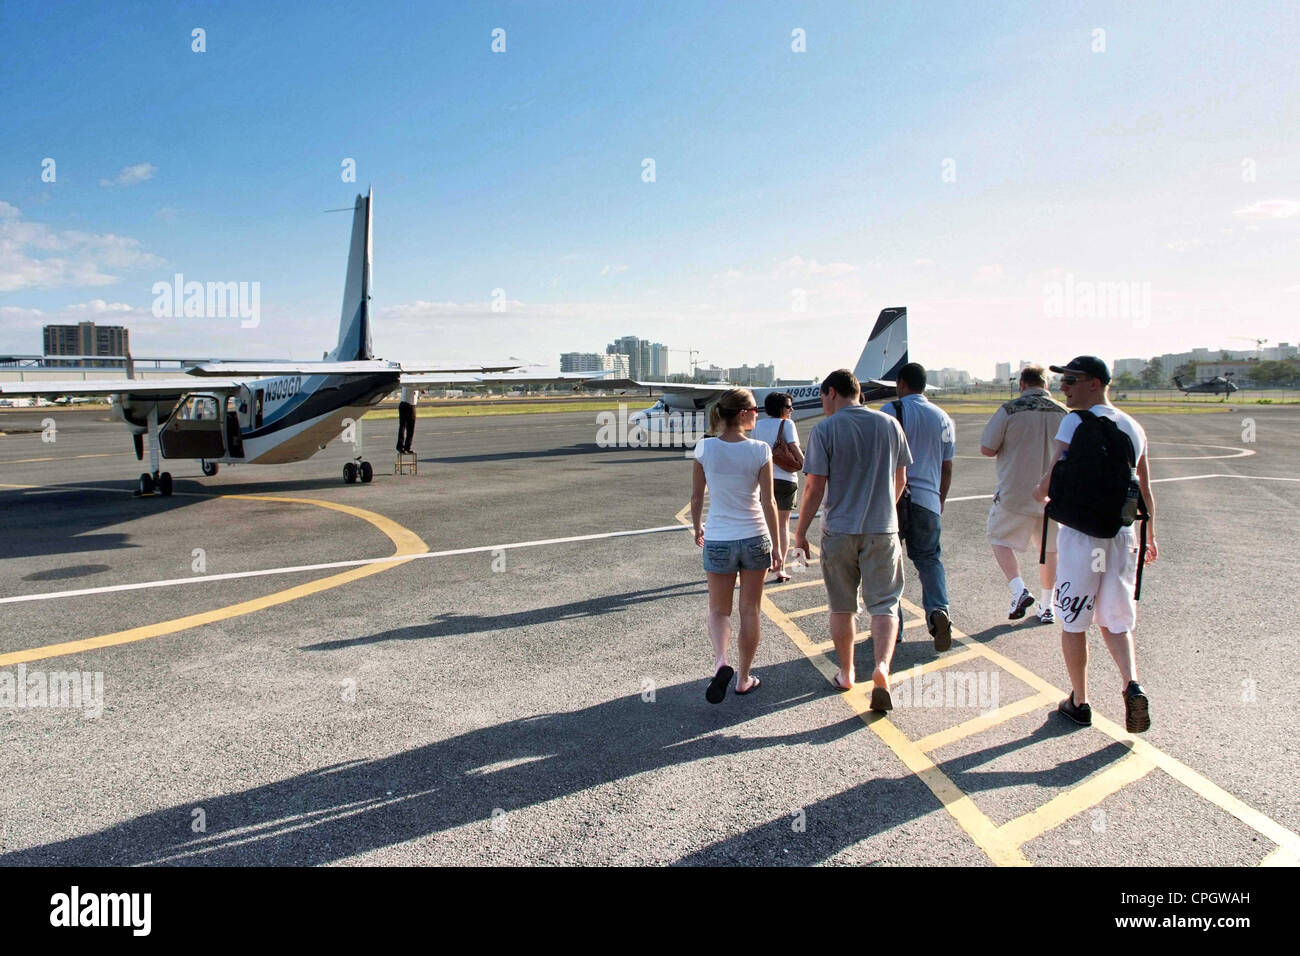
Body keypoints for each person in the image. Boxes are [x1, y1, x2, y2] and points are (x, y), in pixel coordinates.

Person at [1033, 356, 1158, 733]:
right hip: (1121, 536)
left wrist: (1040, 493)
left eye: (1071, 380)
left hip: (1081, 537)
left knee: (1073, 620)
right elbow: (1145, 490)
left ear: (1095, 383)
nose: (1064, 387)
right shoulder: (1134, 426)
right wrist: (1151, 536)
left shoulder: (1075, 421)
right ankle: (1130, 684)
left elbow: (1053, 476)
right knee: (1115, 620)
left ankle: (1079, 700)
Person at [793, 369, 910, 712]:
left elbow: (814, 486)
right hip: (882, 528)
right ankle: (882, 668)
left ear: (831, 392)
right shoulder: (890, 424)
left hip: (839, 529)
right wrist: (886, 506)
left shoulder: (825, 429)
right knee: (885, 604)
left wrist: (800, 534)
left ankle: (847, 672)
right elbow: (901, 476)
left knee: (843, 606)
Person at [690, 388, 783, 703]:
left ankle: (721, 662)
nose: (759, 413)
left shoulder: (704, 448)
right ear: (743, 413)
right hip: (755, 536)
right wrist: (779, 547)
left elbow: (696, 497)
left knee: (718, 610)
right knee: (750, 610)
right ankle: (743, 678)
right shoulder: (760, 450)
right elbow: (769, 501)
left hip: (718, 537)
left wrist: (697, 526)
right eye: (755, 409)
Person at [980, 365, 1068, 623]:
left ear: (1022, 385)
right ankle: (1047, 604)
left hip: (1015, 492)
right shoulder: (1064, 413)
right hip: (1052, 494)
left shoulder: (1010, 410)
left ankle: (1019, 589)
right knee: (1049, 550)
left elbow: (987, 448)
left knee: (998, 537)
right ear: (1046, 385)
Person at [887, 363, 955, 651]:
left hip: (895, 498)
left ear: (902, 384)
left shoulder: (892, 411)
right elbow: (947, 467)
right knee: (929, 560)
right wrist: (939, 500)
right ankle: (938, 611)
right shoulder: (944, 418)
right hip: (928, 499)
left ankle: (894, 626)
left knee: (890, 562)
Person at [751, 392, 800, 583]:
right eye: (789, 407)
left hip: (764, 479)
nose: (791, 410)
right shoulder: (787, 424)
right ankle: (780, 568)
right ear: (781, 408)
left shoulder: (758, 425)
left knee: (764, 524)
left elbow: (755, 450)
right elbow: (794, 447)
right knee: (782, 525)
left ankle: (763, 564)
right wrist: (806, 465)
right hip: (786, 478)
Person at [397, 385, 419, 454]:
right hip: (405, 404)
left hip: (412, 406)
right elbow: (413, 385)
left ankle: (407, 447)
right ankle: (400, 447)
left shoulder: (417, 381)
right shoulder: (409, 378)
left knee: (411, 429)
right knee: (402, 427)